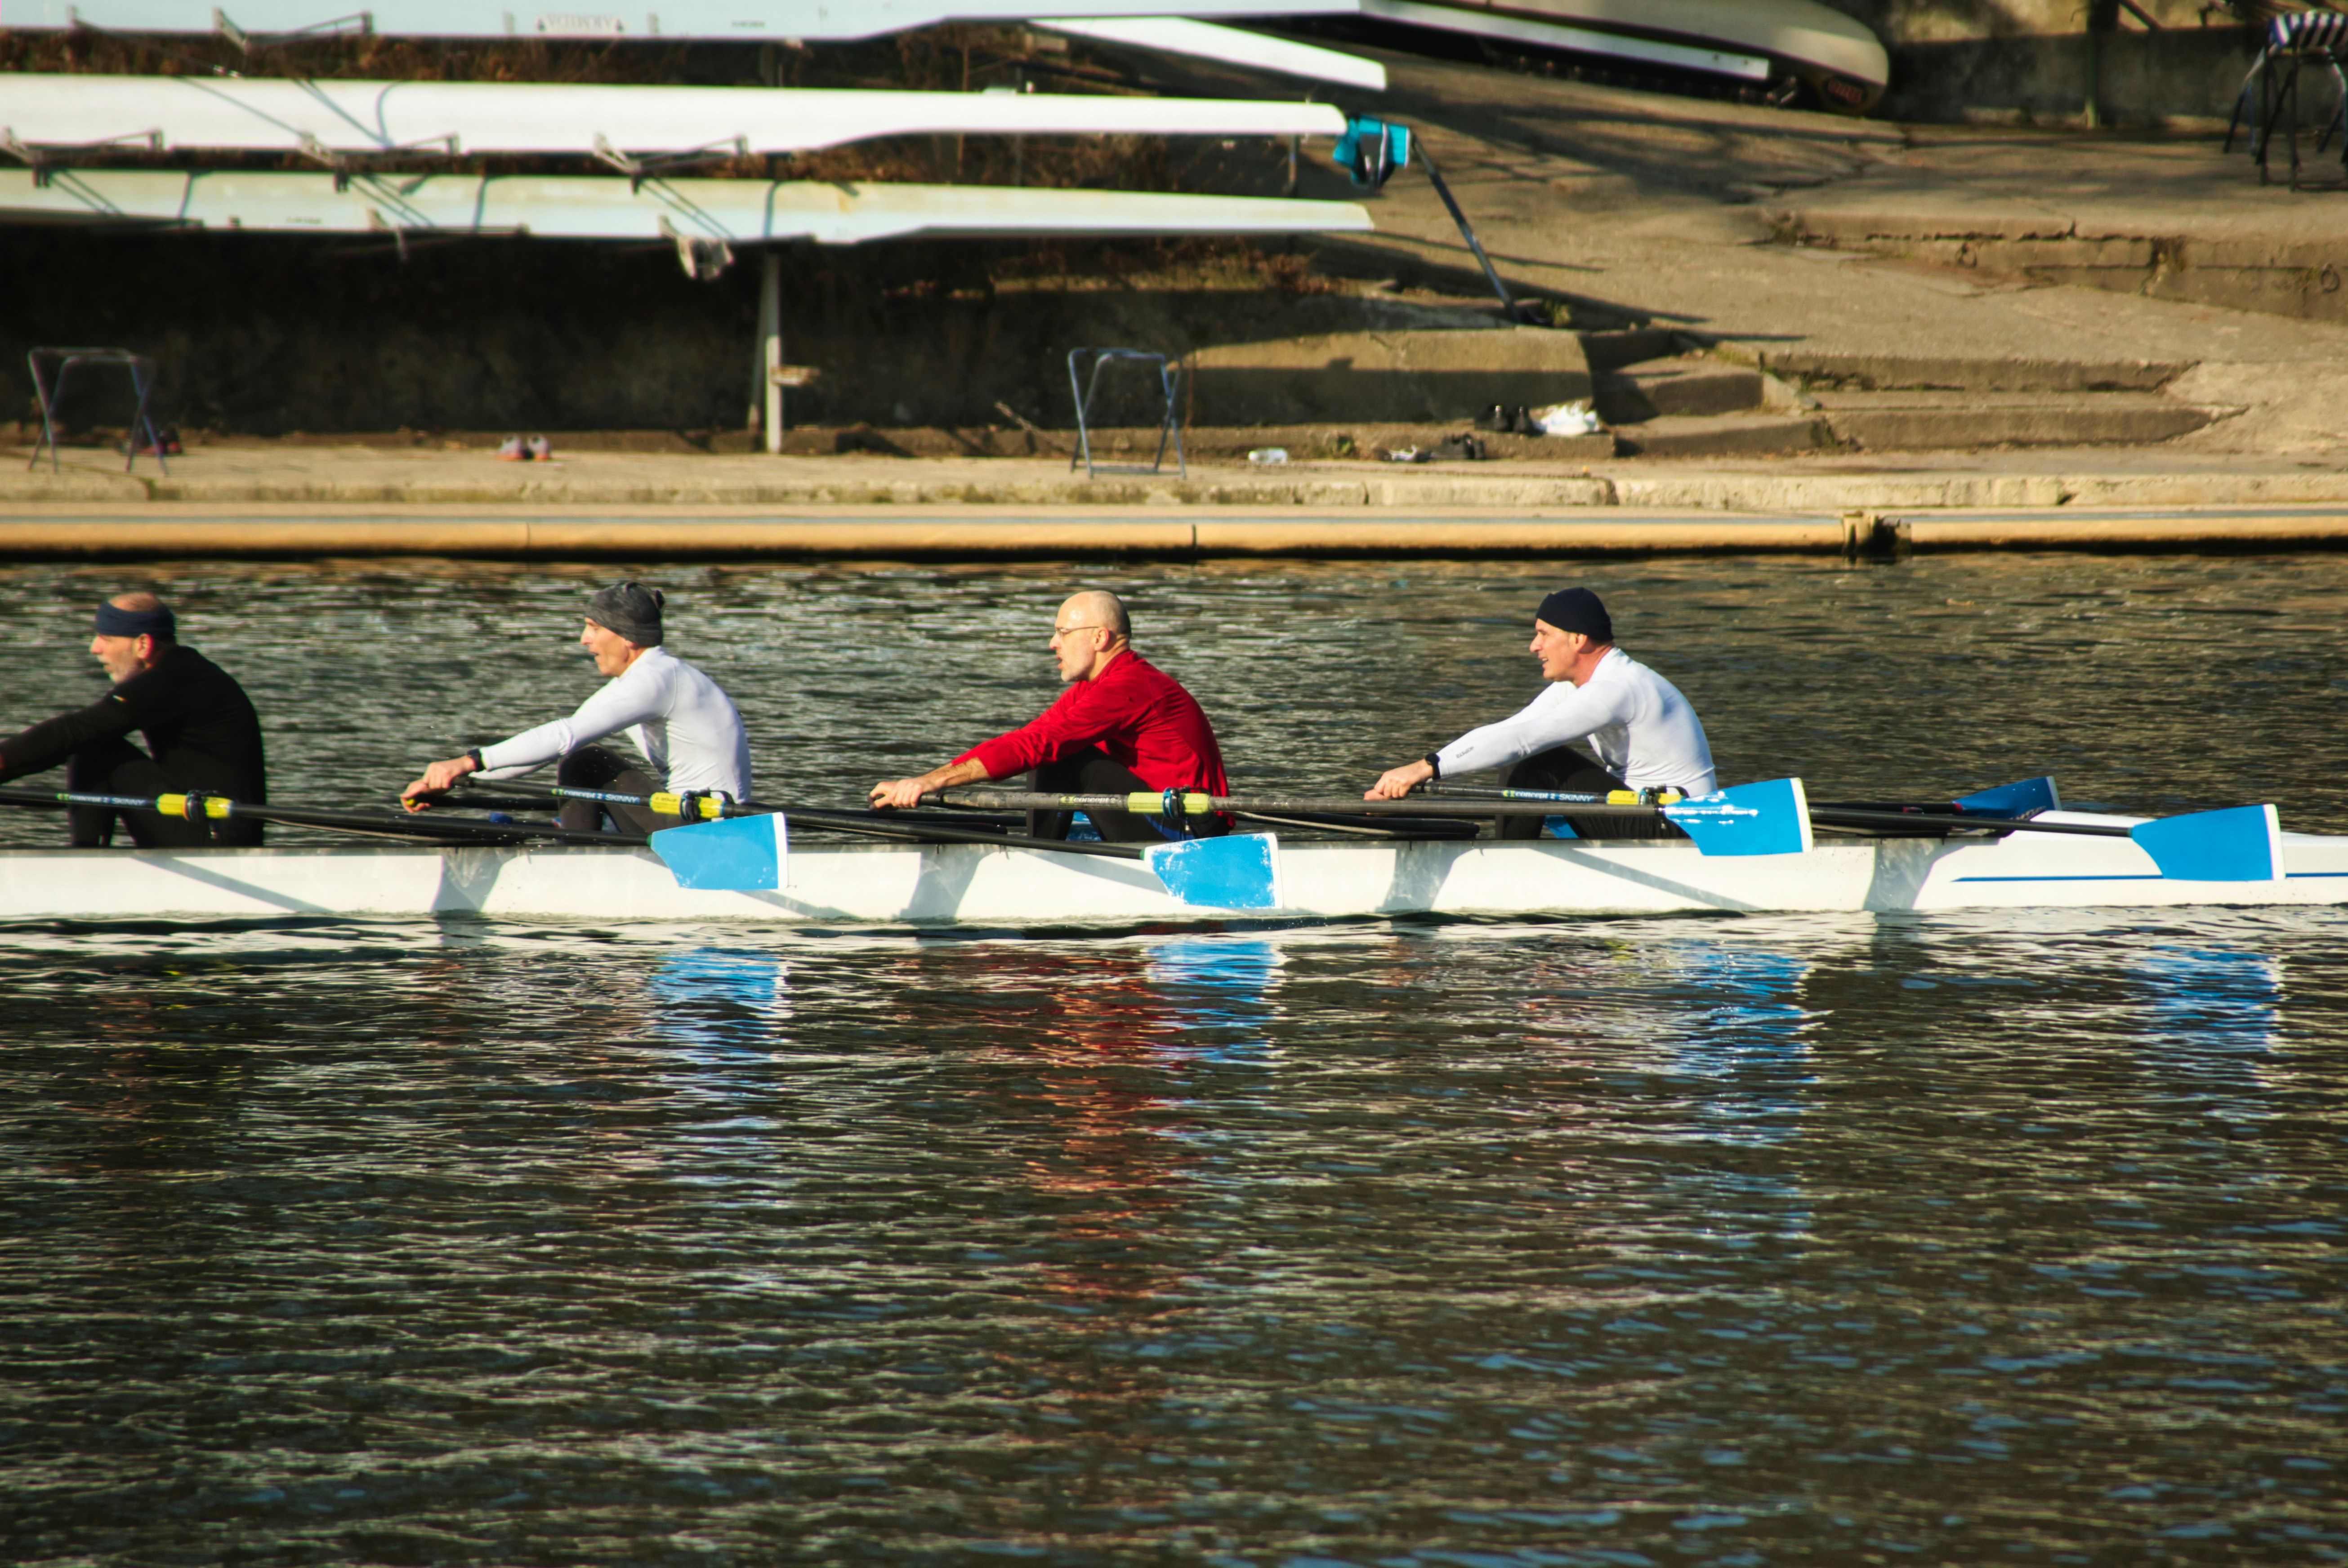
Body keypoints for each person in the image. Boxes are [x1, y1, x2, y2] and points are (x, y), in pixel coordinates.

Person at [868, 589, 1231, 842]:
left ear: (1099, 638)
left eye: (1063, 632)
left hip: (1190, 834)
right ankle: (1040, 847)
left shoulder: (1131, 687)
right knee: (1051, 751)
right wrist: (926, 778)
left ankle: (1038, 859)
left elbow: (1040, 747)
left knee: (1063, 758)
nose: (1052, 643)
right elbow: (1025, 738)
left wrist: (935, 783)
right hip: (1160, 818)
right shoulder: (1094, 688)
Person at [1365, 586, 1714, 840]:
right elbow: (1509, 729)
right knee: (1524, 757)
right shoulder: (1578, 687)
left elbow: (1522, 743)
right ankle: (1510, 858)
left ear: (1578, 640)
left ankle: (1507, 867)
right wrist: (1417, 774)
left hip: (1680, 830)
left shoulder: (1619, 687)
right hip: (1641, 812)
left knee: (1535, 761)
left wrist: (1424, 770)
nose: (1534, 646)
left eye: (1543, 635)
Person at [401, 581, 751, 834]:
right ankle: (577, 838)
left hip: (705, 827)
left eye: (594, 628)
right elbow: (549, 749)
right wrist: (457, 779)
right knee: (579, 756)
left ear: (627, 637)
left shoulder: (655, 680)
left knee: (585, 762)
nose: (585, 640)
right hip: (688, 818)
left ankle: (575, 851)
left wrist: (467, 760)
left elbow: (564, 737)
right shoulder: (644, 681)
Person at [0, 592, 268, 847]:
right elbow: (67, 740)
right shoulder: (183, 670)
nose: (95, 649)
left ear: (142, 644)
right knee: (92, 740)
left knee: (96, 745)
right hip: (201, 821)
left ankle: (85, 858)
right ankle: (87, 856)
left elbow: (75, 731)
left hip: (215, 835)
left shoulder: (172, 681)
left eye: (106, 638)